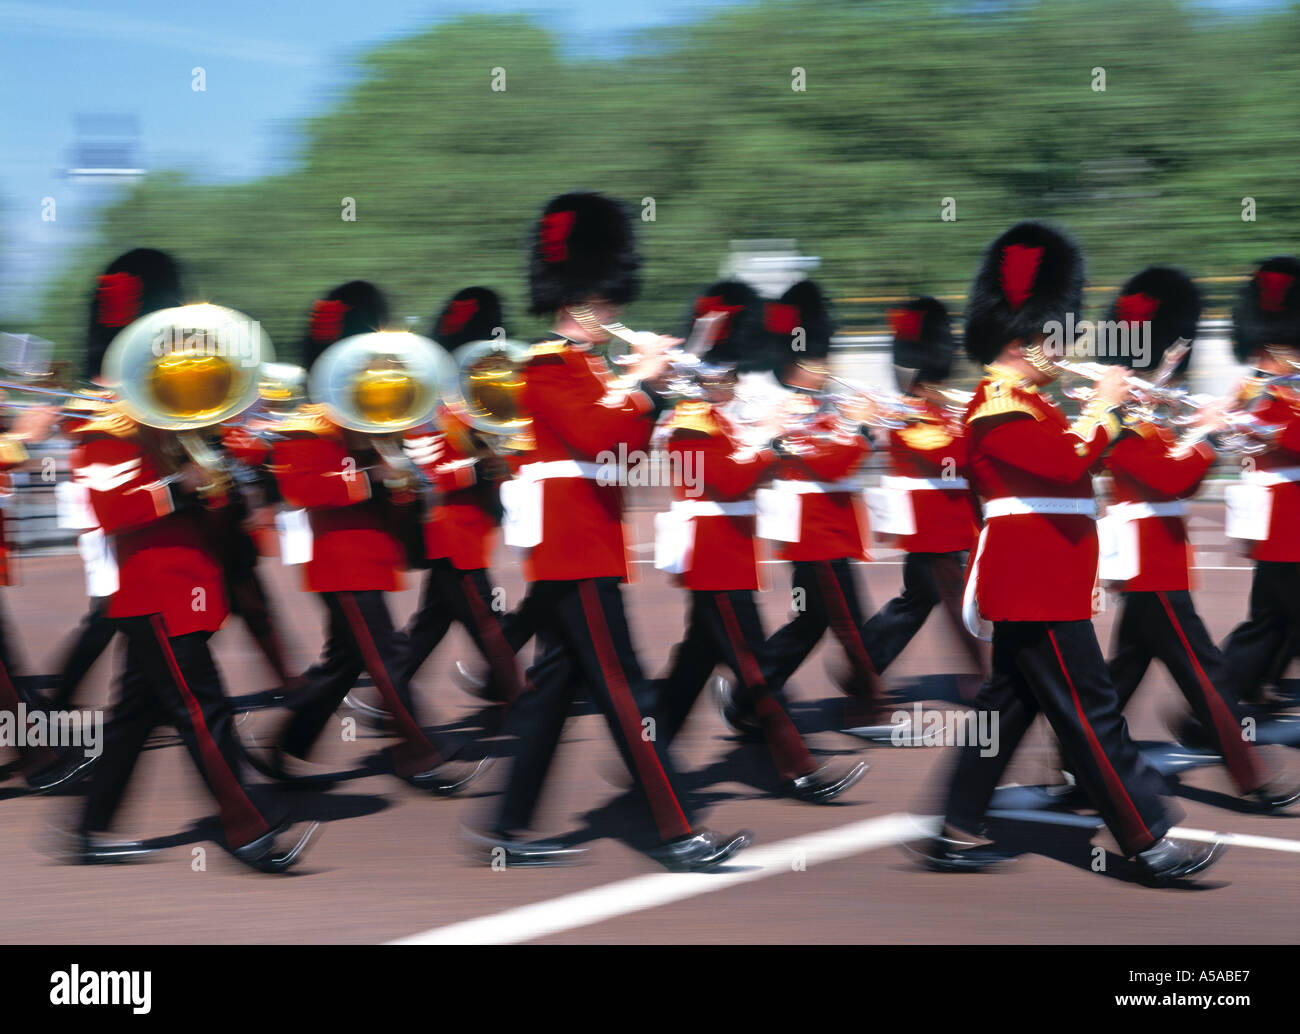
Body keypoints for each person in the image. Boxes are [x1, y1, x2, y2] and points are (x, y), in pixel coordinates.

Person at [919, 220, 1224, 885]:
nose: (1064, 351)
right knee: (1092, 715)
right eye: (1054, 337)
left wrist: (1132, 413)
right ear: (1026, 338)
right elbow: (1064, 465)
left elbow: (1081, 462)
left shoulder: (1034, 404)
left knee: (1007, 710)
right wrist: (1111, 409)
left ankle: (953, 828)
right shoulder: (996, 408)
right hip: (1033, 583)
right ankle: (1146, 841)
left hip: (1044, 579)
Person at [473, 192, 750, 871]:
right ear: (582, 299)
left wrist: (658, 388)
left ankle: (505, 826)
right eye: (608, 303)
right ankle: (678, 830)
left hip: (590, 538)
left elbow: (624, 444)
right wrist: (642, 380)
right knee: (628, 690)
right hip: (574, 546)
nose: (617, 315)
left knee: (552, 692)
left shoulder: (590, 366)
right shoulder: (544, 364)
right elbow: (598, 435)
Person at [68, 309, 317, 871]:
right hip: (153, 595)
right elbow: (112, 510)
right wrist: (180, 485)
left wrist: (227, 482)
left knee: (135, 716)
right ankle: (249, 828)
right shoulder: (107, 431)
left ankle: (88, 829)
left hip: (192, 592)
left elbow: (220, 518)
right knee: (204, 712)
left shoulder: (197, 424)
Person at [259, 281, 487, 795]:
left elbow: (408, 484)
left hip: (373, 558)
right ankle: (420, 754)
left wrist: (405, 476)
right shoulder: (310, 424)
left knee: (342, 665)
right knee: (385, 660)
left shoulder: (380, 416)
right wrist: (370, 479)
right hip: (339, 563)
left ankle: (284, 748)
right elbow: (300, 488)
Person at [652, 279, 867, 802]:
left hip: (729, 551)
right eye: (723, 374)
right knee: (753, 670)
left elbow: (754, 474)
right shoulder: (690, 421)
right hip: (713, 554)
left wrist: (775, 440)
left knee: (691, 669)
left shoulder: (720, 417)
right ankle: (799, 768)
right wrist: (768, 439)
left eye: (730, 373)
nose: (732, 381)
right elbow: (725, 480)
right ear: (703, 378)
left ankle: (647, 755)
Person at [1096, 265, 1296, 812]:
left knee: (1123, 673)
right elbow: (1171, 477)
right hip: (1147, 561)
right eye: (1164, 361)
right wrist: (1205, 432)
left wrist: (1200, 433)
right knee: (1204, 673)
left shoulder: (1148, 418)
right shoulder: (1120, 422)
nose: (1171, 371)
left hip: (1158, 556)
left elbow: (1185, 476)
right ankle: (1250, 776)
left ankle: (1079, 761)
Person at [740, 280, 892, 739]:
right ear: (794, 364)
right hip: (812, 532)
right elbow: (832, 465)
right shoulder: (787, 411)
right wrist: (860, 429)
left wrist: (863, 423)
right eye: (816, 360)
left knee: (813, 622)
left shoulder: (823, 407)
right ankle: (866, 710)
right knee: (849, 624)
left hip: (831, 529)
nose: (826, 368)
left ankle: (750, 697)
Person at [401, 287, 525, 712]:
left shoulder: (485, 406)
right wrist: (483, 465)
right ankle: (519, 696)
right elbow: (434, 473)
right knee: (486, 621)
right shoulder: (436, 412)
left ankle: (388, 692)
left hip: (472, 529)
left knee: (432, 623)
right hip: (453, 534)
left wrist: (505, 459)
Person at [859, 296, 986, 694]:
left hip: (951, 527)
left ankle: (861, 661)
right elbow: (947, 453)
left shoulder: (944, 412)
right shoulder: (905, 416)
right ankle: (982, 681)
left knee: (917, 602)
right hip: (934, 532)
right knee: (956, 604)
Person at [1218, 257, 1300, 707]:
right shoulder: (1261, 388)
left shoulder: (1285, 383)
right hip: (1285, 517)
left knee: (1271, 617)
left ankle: (1232, 694)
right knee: (1276, 615)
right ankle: (1218, 701)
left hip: (1287, 517)